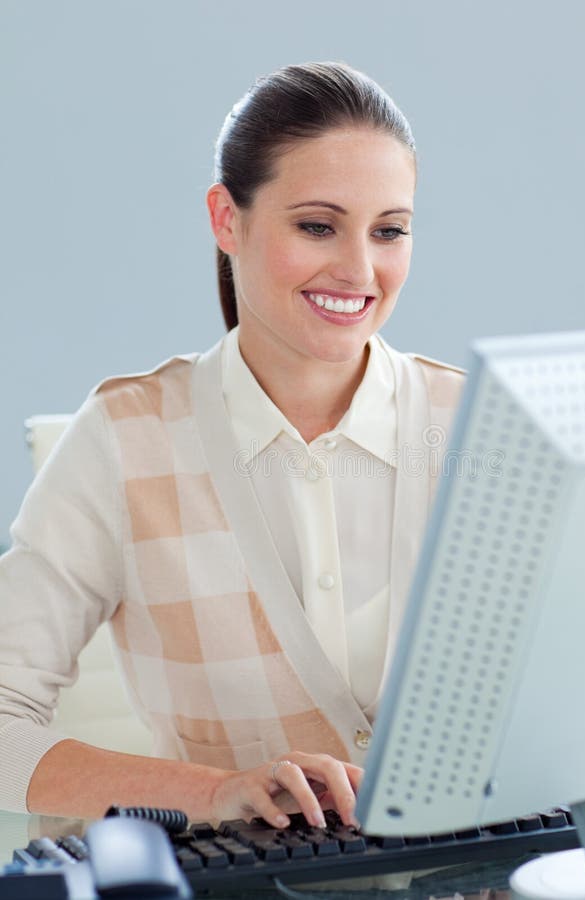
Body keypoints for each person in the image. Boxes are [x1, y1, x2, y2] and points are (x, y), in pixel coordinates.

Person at [0, 62, 464, 828]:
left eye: (389, 231)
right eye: (317, 226)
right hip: (236, 879)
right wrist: (212, 794)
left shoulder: (479, 432)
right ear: (226, 219)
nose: (359, 269)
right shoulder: (125, 442)